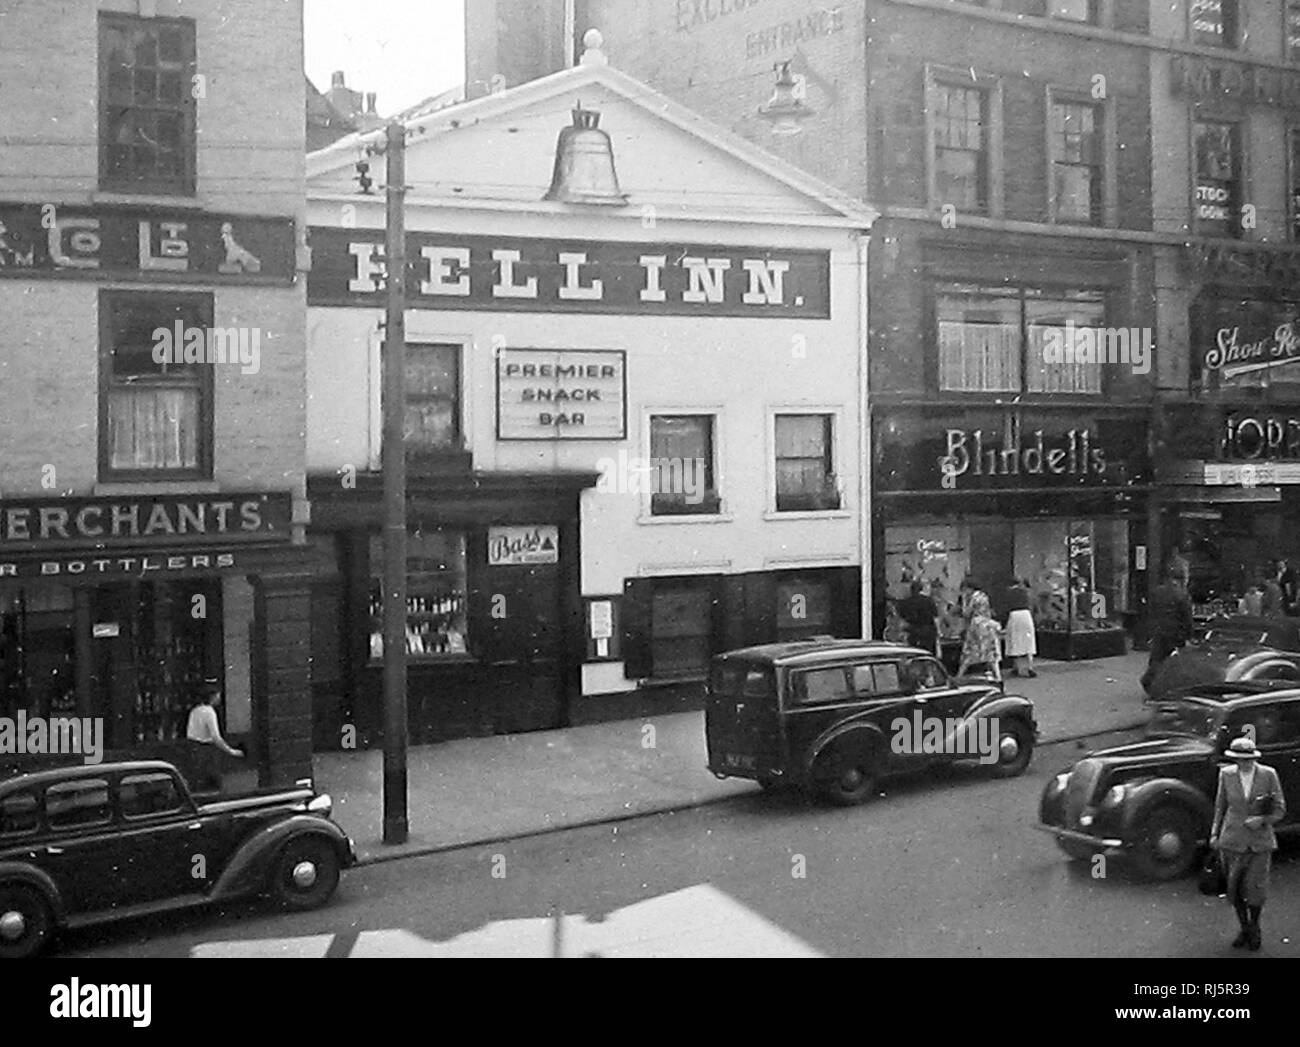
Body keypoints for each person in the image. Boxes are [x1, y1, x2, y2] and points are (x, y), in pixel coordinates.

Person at [1210, 735, 1287, 951]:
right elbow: (1220, 807)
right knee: (1235, 889)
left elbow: (1280, 808)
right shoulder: (1226, 775)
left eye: (1248, 759)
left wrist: (1262, 820)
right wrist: (1214, 834)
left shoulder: (1268, 775)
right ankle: (1244, 928)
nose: (1244, 763)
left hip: (1259, 842)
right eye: (1240, 759)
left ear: (1254, 758)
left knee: (1255, 889)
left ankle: (1254, 928)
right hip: (1232, 840)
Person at [1140, 564, 1193, 696]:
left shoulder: (1157, 591)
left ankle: (1149, 681)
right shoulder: (1182, 595)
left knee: (1157, 658)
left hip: (1159, 630)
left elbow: (1150, 611)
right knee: (1175, 660)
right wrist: (1188, 636)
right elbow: (1186, 618)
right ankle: (1169, 687)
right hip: (1175, 633)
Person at [186, 678, 243, 792]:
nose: (219, 698)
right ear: (212, 696)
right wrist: (231, 751)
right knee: (212, 782)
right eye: (217, 695)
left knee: (197, 781)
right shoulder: (209, 712)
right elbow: (215, 737)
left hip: (193, 748)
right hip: (207, 751)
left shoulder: (195, 711)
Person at [957, 590, 1002, 682]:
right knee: (990, 653)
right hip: (987, 624)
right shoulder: (983, 596)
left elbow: (966, 613)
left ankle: (959, 676)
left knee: (970, 652)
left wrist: (964, 603)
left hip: (977, 623)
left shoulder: (972, 598)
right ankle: (998, 677)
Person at [897, 579, 941, 656]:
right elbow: (935, 619)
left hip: (912, 632)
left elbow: (902, 621)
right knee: (928, 655)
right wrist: (939, 632)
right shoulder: (929, 601)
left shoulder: (905, 602)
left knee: (914, 654)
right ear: (922, 588)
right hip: (928, 632)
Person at [1004, 579, 1037, 678]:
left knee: (1015, 641)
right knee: (1028, 641)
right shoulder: (1026, 592)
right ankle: (1030, 667)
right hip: (1026, 615)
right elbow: (1032, 605)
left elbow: (1006, 606)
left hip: (1015, 615)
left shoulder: (1009, 593)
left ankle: (1017, 668)